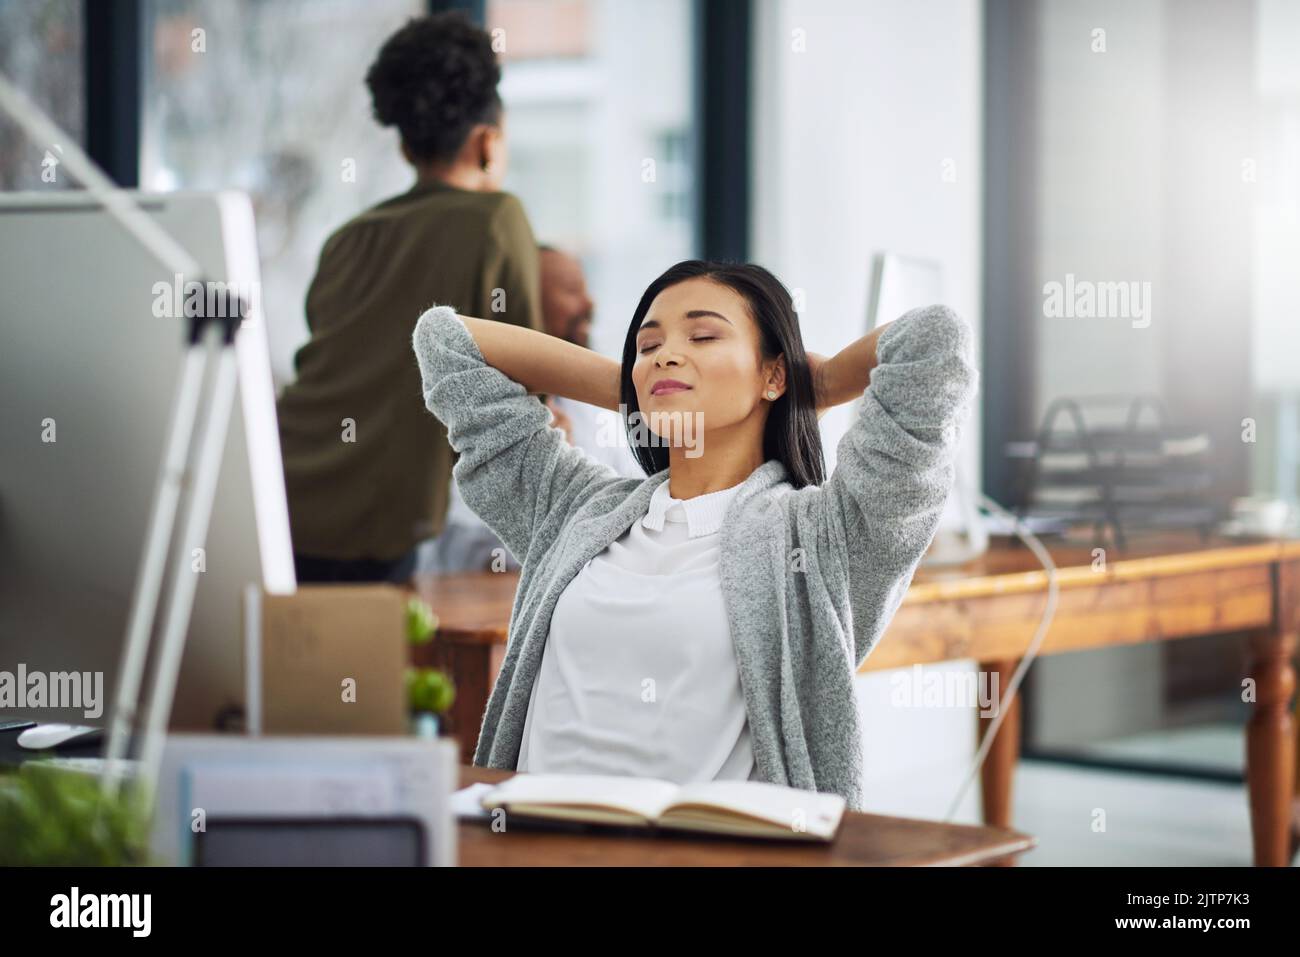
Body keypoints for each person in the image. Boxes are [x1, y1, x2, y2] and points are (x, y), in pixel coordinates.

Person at [410, 260, 979, 810]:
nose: (669, 354)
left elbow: (932, 340)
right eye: (649, 345)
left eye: (703, 337)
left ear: (774, 373)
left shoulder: (821, 538)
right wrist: (641, 386)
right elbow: (446, 341)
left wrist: (819, 383)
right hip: (534, 845)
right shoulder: (574, 511)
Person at [276, 12, 543, 584]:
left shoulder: (347, 239)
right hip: (370, 525)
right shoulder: (498, 218)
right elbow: (529, 383)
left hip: (274, 494)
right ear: (488, 143)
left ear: (404, 149)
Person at [416, 243, 642, 575]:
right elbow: (466, 542)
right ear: (528, 301)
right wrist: (641, 392)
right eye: (570, 290)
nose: (589, 303)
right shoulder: (471, 400)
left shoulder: (597, 413)